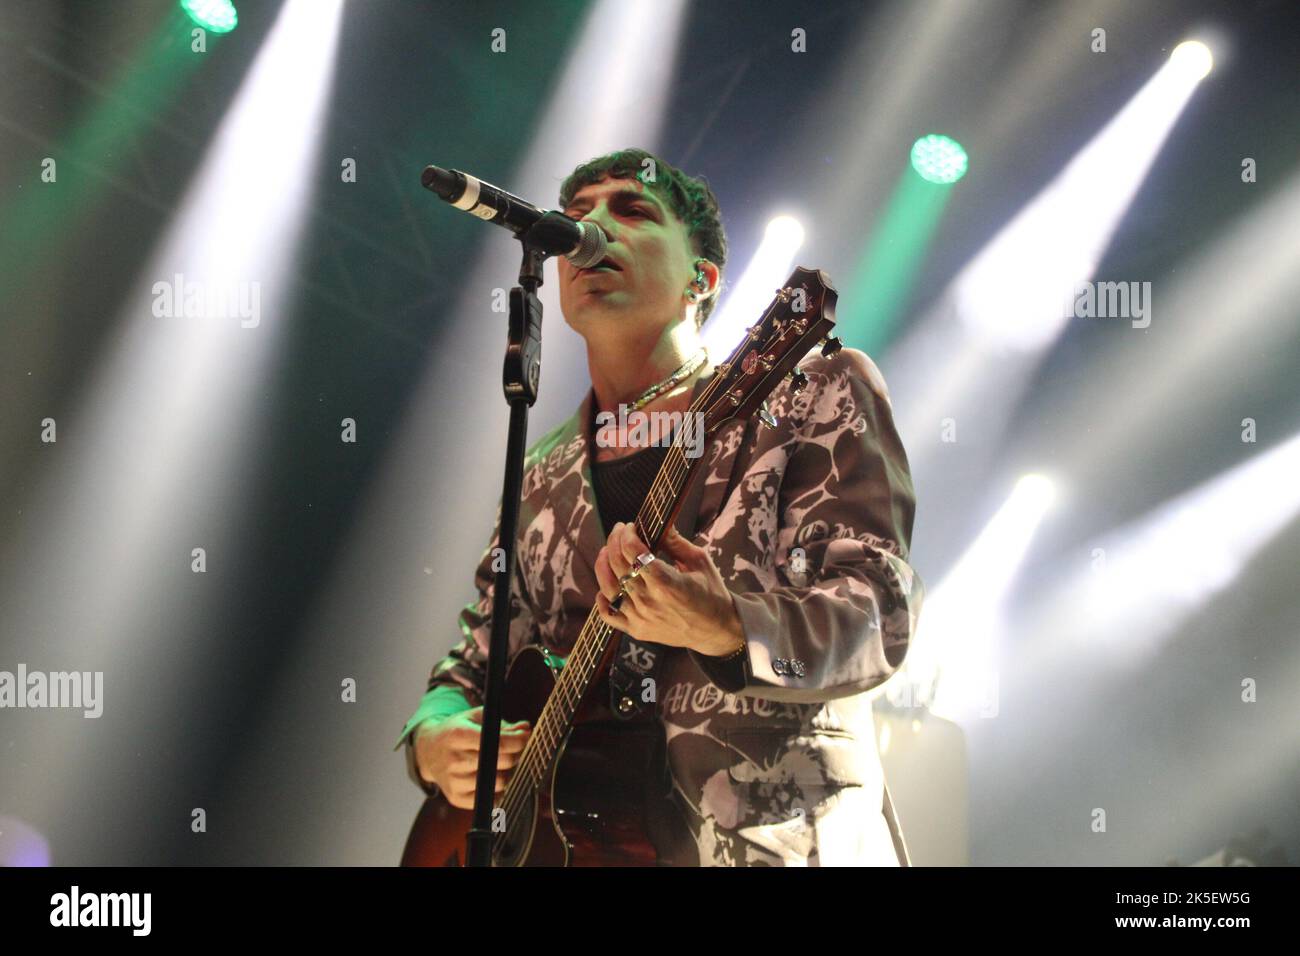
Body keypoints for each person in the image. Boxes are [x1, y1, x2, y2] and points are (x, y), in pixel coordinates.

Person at [395, 147, 923, 866]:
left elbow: (877, 618)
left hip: (775, 843)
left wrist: (732, 627)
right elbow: (472, 665)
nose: (590, 227)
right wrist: (434, 738)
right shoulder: (539, 475)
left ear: (698, 281)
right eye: (576, 215)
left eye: (631, 210)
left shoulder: (806, 394)